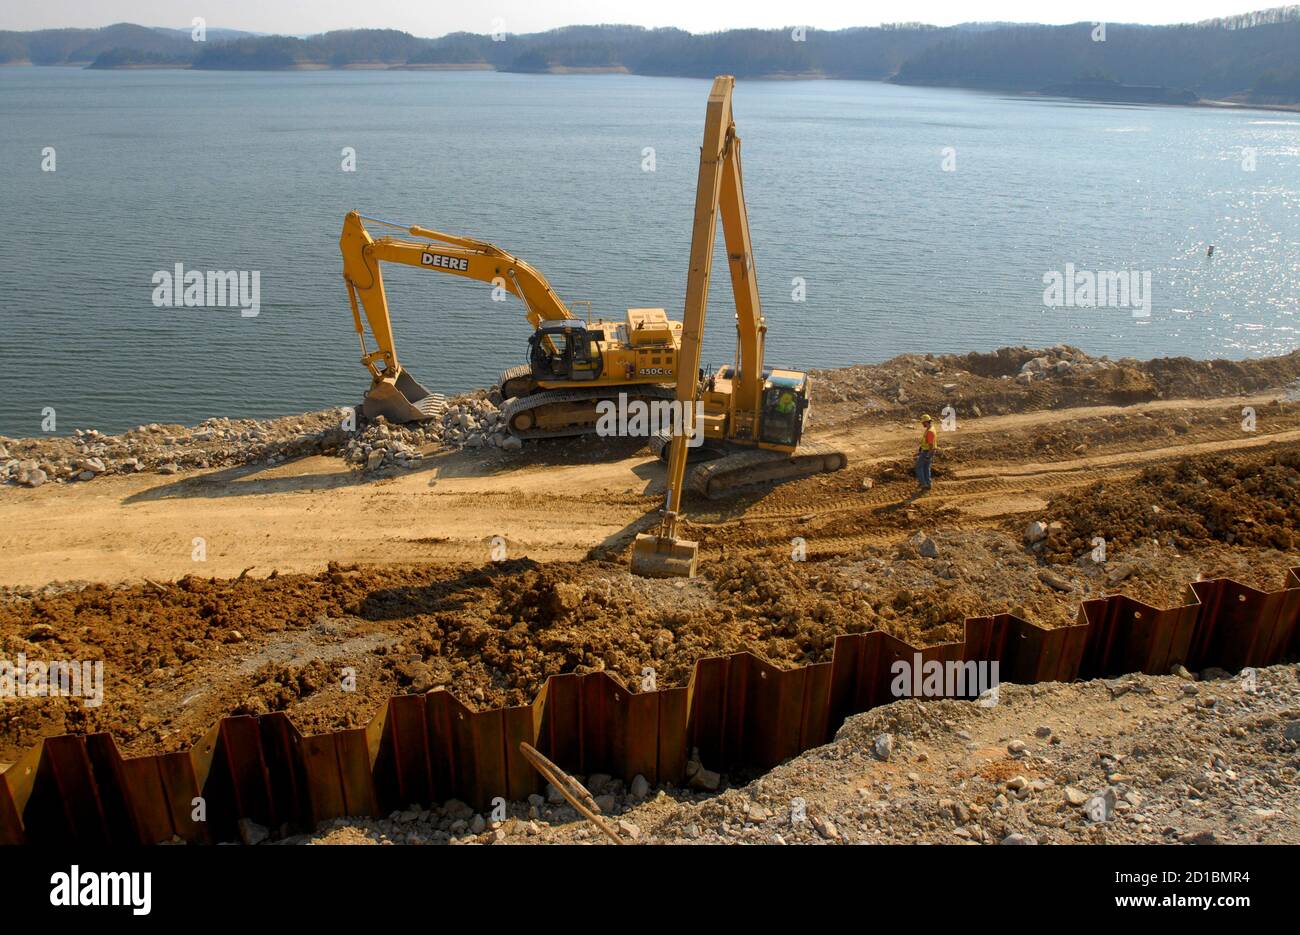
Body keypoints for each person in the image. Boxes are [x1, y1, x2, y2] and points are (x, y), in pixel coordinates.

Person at [915, 414, 937, 493]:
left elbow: (931, 444)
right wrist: (921, 447)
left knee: (918, 467)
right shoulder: (930, 429)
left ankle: (923, 483)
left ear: (926, 422)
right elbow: (927, 441)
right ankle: (928, 483)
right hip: (927, 450)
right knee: (925, 468)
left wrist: (928, 455)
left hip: (927, 451)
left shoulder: (930, 431)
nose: (922, 424)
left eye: (923, 422)